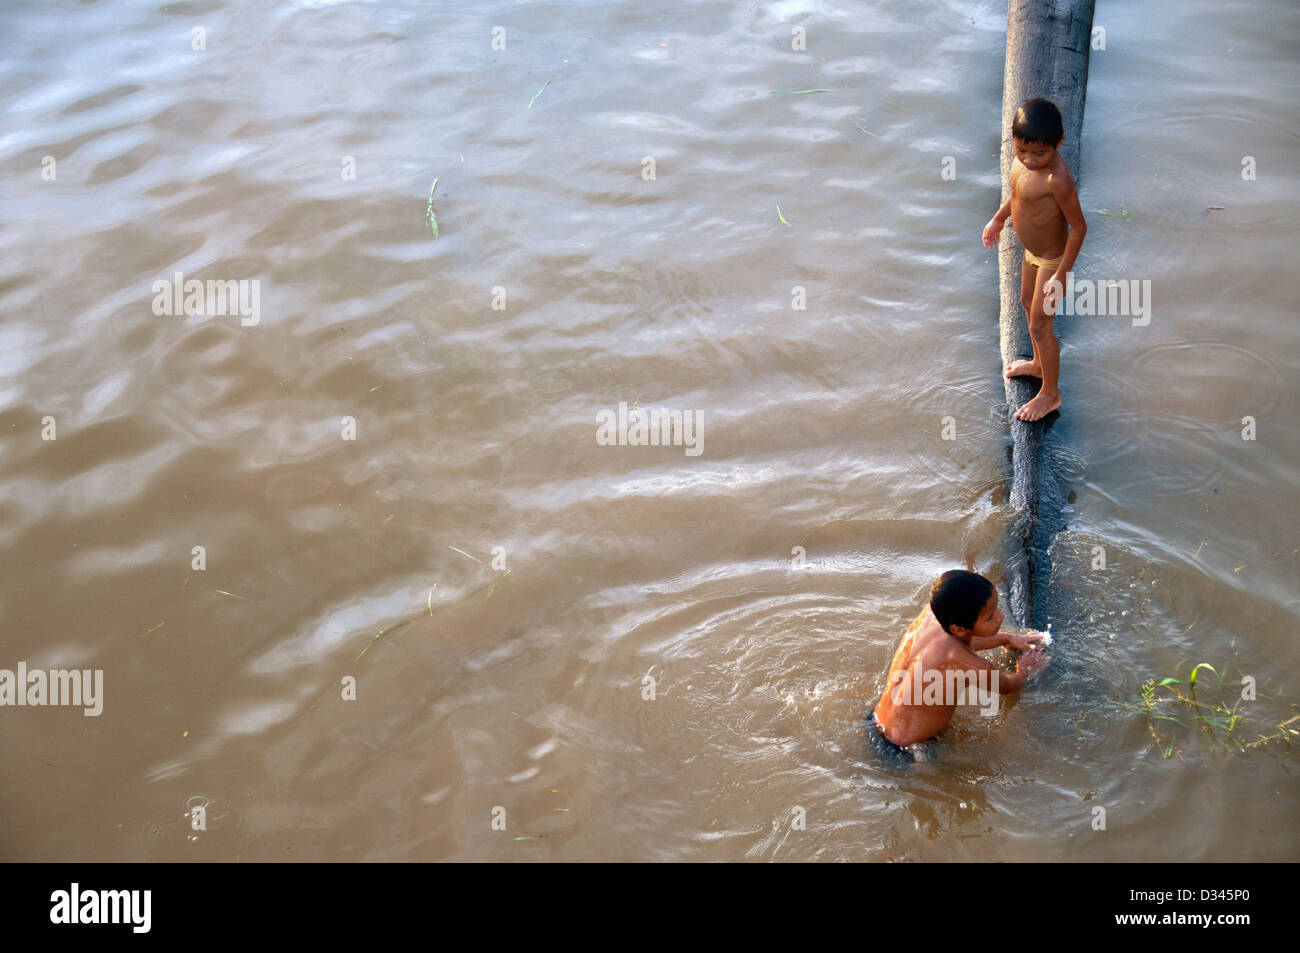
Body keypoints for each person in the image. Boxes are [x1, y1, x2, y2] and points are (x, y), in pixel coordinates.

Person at [982, 98, 1088, 422]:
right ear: (1014, 141)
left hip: (1053, 260)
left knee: (1042, 324)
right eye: (1021, 151)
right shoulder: (1020, 165)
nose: (1029, 160)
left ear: (1059, 142)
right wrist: (999, 219)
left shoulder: (1058, 179)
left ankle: (1050, 393)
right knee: (1027, 305)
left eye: (1040, 154)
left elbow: (1079, 228)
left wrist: (1063, 275)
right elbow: (1015, 196)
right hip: (1032, 254)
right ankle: (1039, 364)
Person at [868, 570, 1049, 757]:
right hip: (906, 751)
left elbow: (959, 643)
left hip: (876, 719)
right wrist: (1026, 669)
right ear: (959, 628)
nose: (1000, 617)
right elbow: (1009, 686)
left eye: (997, 608)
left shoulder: (932, 614)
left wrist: (1006, 638)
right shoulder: (976, 667)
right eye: (990, 617)